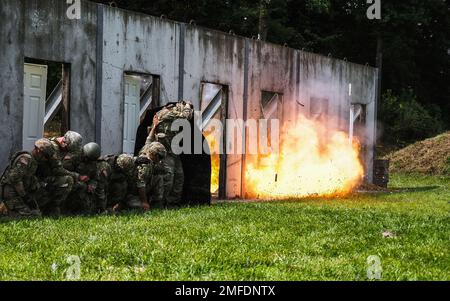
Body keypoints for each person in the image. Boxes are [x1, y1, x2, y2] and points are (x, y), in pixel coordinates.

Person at [147, 100, 194, 207]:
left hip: (173, 152)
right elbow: (186, 117)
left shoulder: (170, 114)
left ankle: (173, 203)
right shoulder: (167, 112)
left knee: (179, 176)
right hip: (165, 152)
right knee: (169, 177)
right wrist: (187, 105)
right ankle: (162, 203)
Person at [31, 138, 76, 216]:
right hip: (35, 184)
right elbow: (58, 169)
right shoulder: (49, 150)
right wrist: (76, 176)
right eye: (44, 156)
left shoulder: (50, 149)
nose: (45, 159)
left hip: (43, 180)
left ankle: (52, 209)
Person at [0, 151, 41, 217]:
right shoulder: (26, 159)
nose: (45, 159)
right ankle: (5, 211)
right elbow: (15, 178)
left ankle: (6, 208)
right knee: (28, 217)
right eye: (45, 156)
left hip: (19, 192)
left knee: (36, 214)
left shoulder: (34, 161)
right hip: (11, 191)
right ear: (38, 151)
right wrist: (25, 196)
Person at [139, 141, 167, 208]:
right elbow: (140, 184)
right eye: (159, 157)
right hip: (136, 192)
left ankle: (157, 202)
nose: (160, 160)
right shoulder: (145, 165)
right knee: (135, 205)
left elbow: (149, 139)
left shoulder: (147, 149)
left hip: (147, 185)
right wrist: (144, 202)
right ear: (153, 154)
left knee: (159, 177)